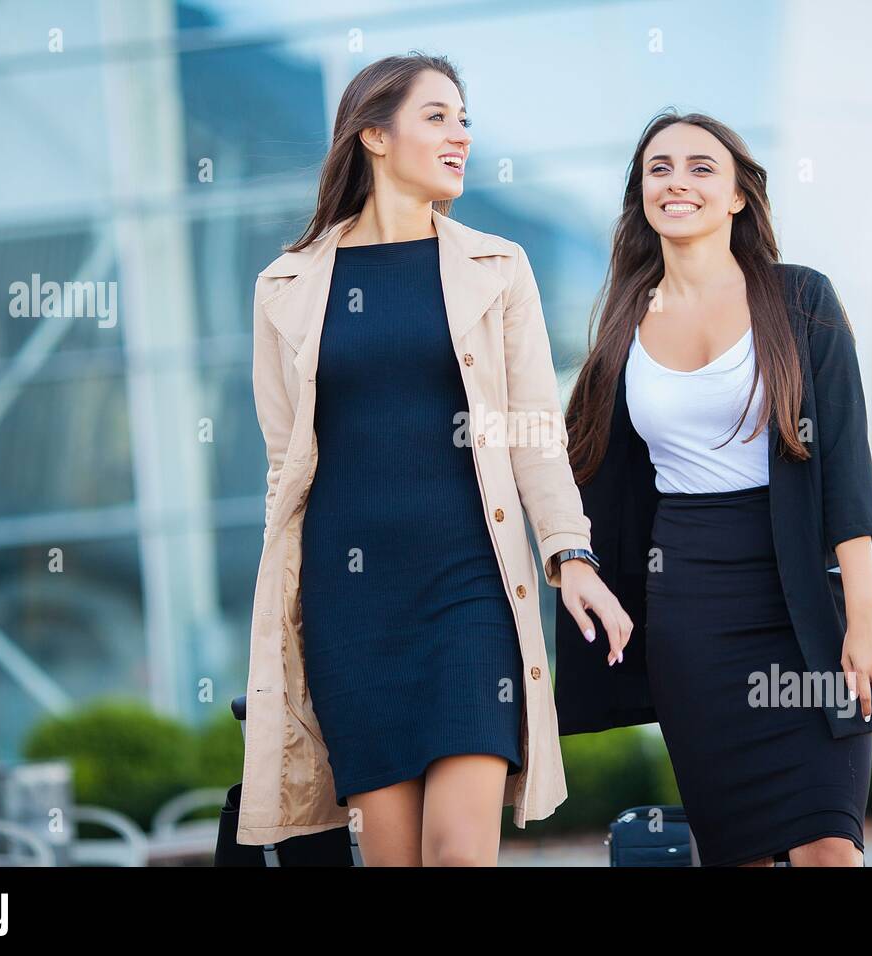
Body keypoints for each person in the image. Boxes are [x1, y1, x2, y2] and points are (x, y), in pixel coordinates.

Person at [239, 52, 631, 866]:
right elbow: (286, 464)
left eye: (465, 119)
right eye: (438, 116)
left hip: (467, 591)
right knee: (393, 859)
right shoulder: (287, 286)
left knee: (458, 854)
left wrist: (572, 552)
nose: (462, 134)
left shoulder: (496, 269)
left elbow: (532, 431)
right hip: (351, 605)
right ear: (374, 136)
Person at [554, 110, 872, 867]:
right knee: (737, 853)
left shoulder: (802, 299)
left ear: (741, 195)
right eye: (659, 168)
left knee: (830, 850)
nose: (677, 181)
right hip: (689, 617)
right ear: (641, 194)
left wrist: (865, 616)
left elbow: (844, 461)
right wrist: (570, 562)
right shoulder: (622, 327)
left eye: (701, 167)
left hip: (804, 611)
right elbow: (577, 467)